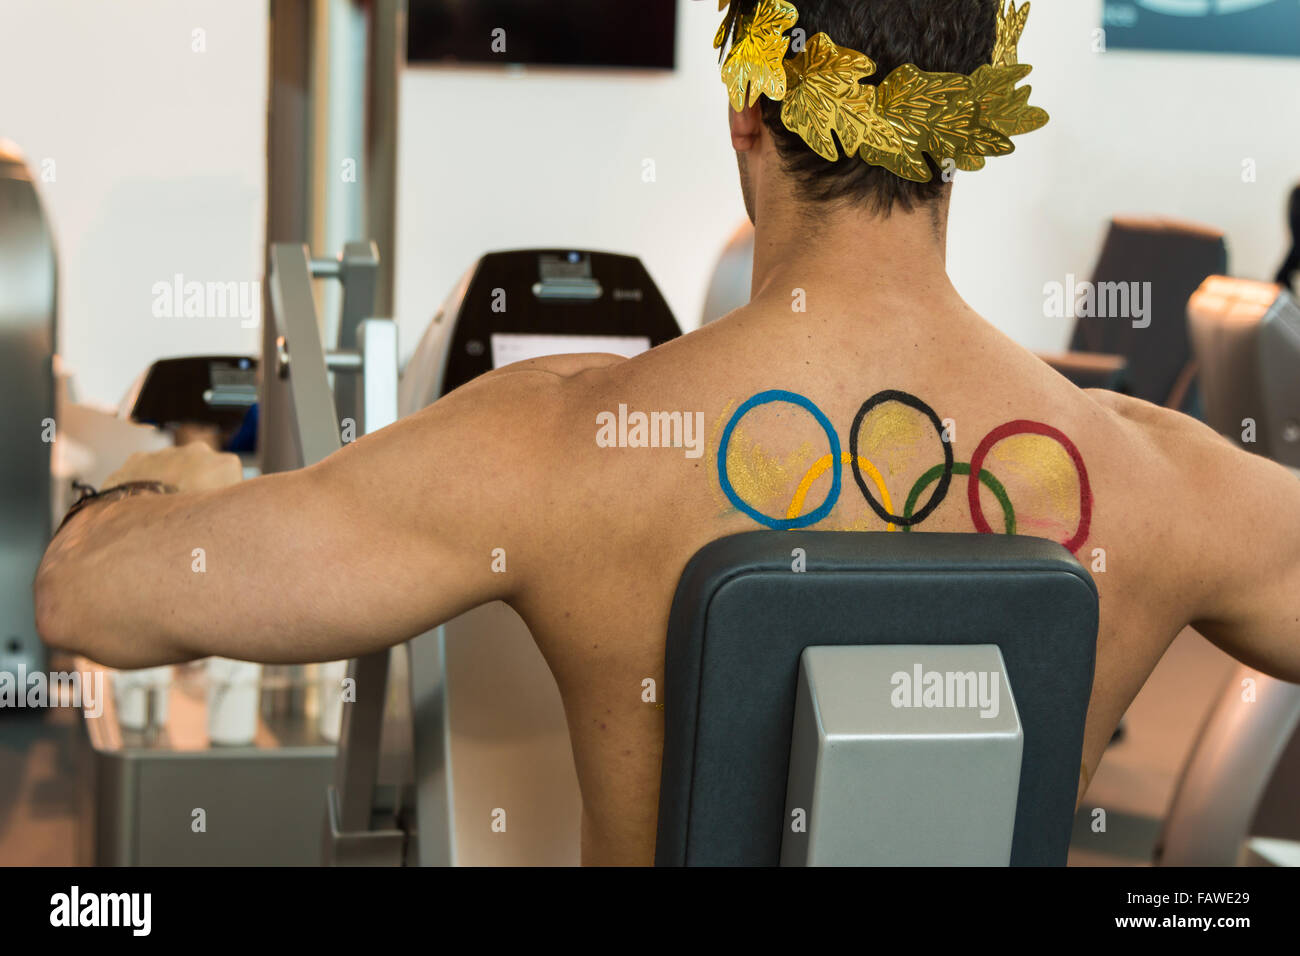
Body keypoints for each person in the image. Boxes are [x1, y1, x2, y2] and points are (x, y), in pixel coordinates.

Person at [34, 0, 1300, 865]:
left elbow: (87, 598)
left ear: (745, 115)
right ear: (966, 136)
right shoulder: (1147, 475)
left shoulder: (560, 443)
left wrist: (160, 484)